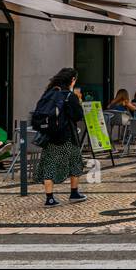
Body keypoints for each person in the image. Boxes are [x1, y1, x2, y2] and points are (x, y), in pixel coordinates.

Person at [33, 68, 88, 206]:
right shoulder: (70, 96)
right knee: (75, 162)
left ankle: (49, 198)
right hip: (67, 136)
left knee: (50, 164)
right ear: (72, 80)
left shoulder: (50, 93)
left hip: (50, 135)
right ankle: (74, 193)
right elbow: (78, 116)